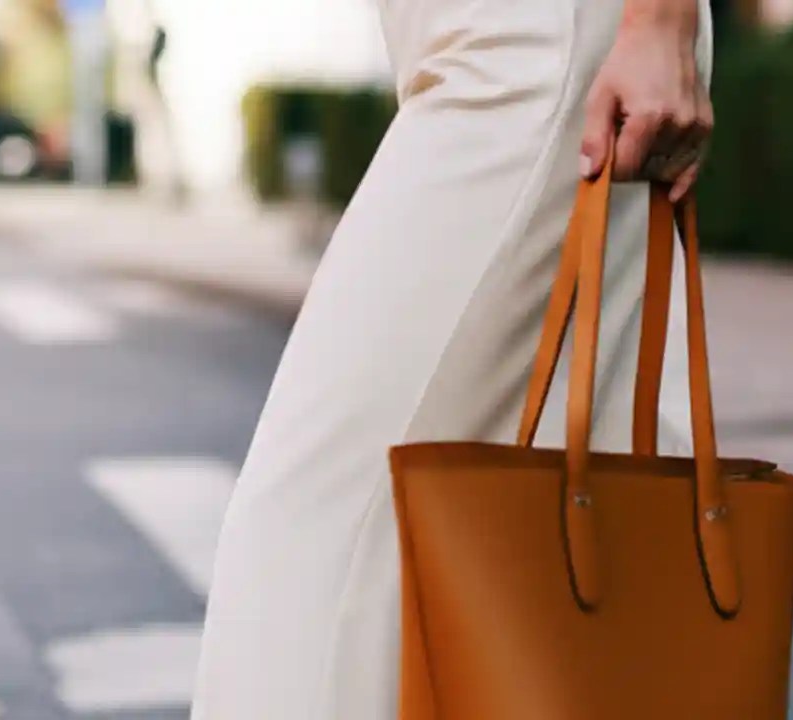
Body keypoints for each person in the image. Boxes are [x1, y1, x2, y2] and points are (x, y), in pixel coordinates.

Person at [192, 0, 714, 716]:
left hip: (533, 53)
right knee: (546, 581)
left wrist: (661, 20)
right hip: (494, 51)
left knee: (311, 543)